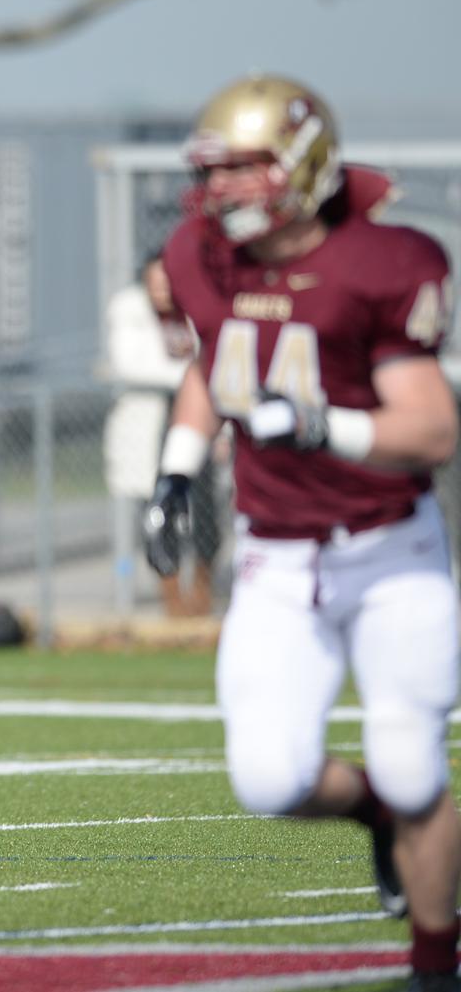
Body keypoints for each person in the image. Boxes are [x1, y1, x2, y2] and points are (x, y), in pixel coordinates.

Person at [142, 75, 459, 990]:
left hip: (390, 550)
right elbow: (215, 359)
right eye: (214, 170)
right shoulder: (200, 254)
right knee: (270, 778)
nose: (223, 189)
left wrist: (325, 426)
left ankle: (436, 961)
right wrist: (176, 468)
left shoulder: (384, 261)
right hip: (275, 556)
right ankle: (375, 814)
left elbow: (432, 429)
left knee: (413, 763)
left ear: (306, 165)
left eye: (245, 167)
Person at [103, 253, 218, 617]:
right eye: (155, 282)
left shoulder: (195, 310)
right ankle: (173, 600)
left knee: (205, 513)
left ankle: (201, 593)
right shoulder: (130, 312)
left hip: (195, 428)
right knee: (160, 512)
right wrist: (192, 377)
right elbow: (133, 365)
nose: (162, 290)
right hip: (154, 430)